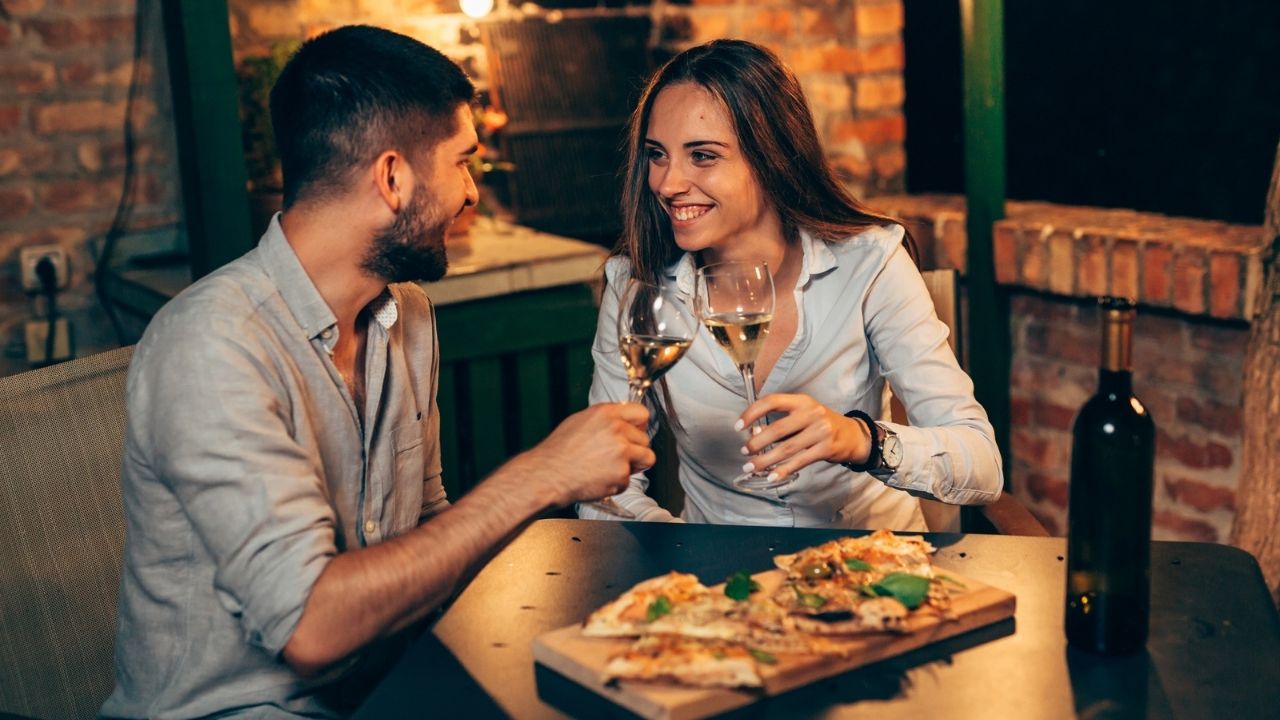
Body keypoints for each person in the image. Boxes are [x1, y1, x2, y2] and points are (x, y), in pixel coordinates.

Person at [102, 26, 652, 719]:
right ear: (393, 178)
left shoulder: (407, 315)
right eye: (463, 163)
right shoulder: (213, 344)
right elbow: (312, 629)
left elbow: (428, 530)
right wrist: (542, 474)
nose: (472, 193)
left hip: (391, 696)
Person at [579, 39, 1002, 529]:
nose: (667, 183)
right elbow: (602, 488)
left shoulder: (869, 263)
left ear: (772, 156)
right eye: (657, 155)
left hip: (875, 561)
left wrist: (861, 440)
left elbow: (982, 465)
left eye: (703, 156)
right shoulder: (637, 285)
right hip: (718, 569)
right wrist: (682, 554)